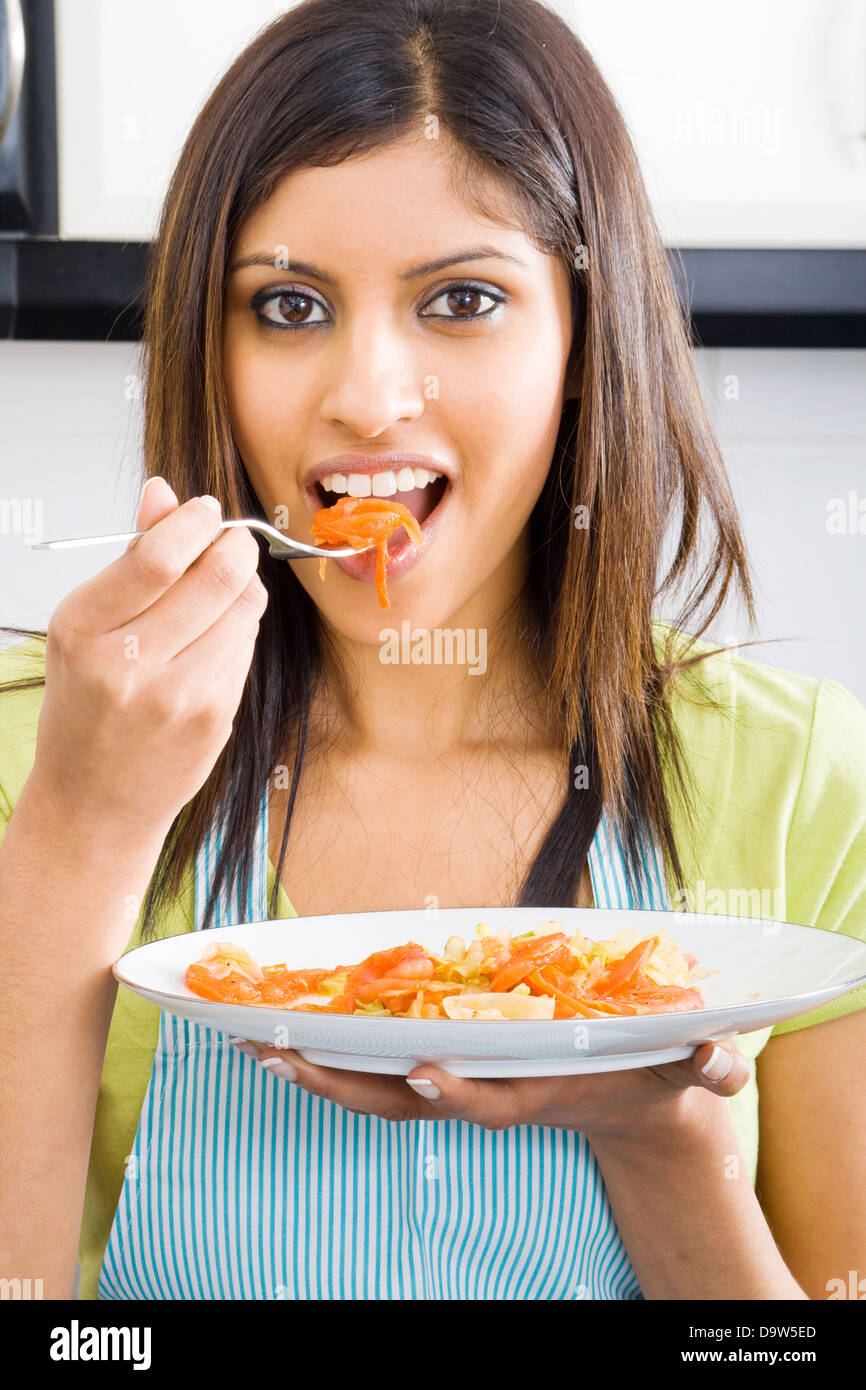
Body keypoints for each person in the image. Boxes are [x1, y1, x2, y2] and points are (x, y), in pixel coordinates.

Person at [1, 0, 865, 1301]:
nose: (364, 391)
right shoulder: (44, 753)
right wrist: (77, 829)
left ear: (583, 340)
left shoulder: (795, 780)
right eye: (287, 305)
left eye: (461, 298)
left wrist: (658, 1134)